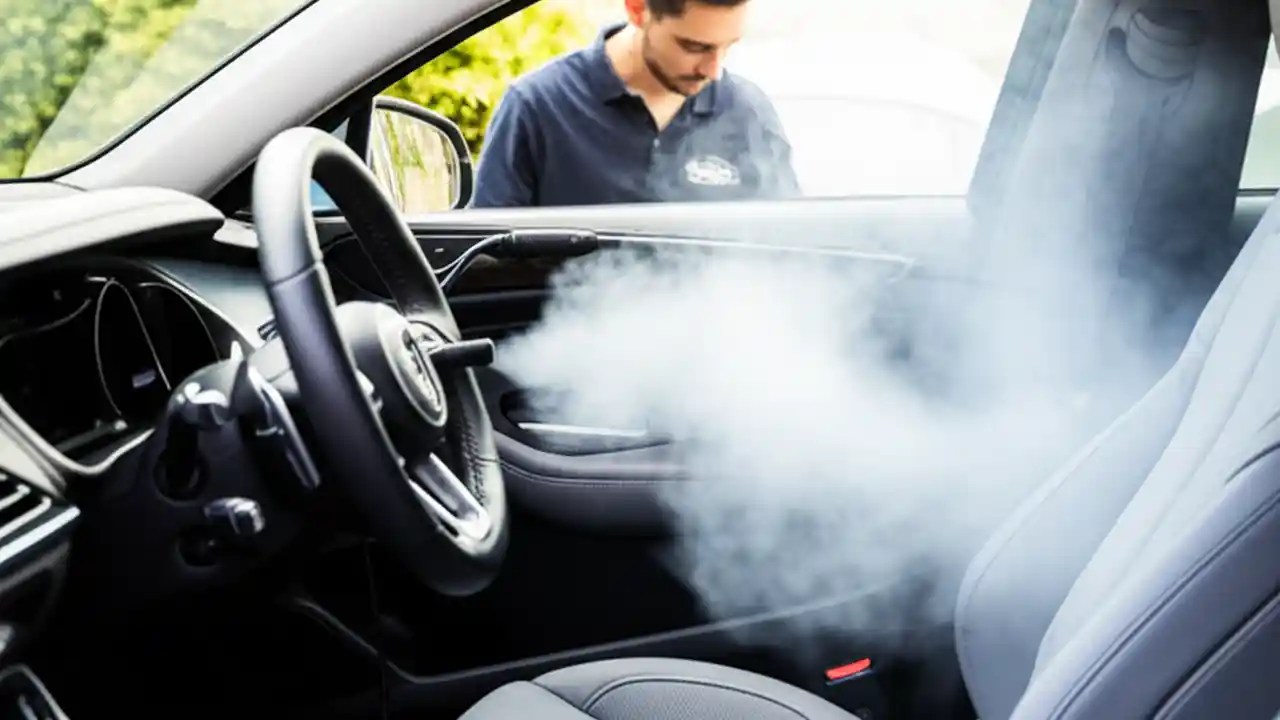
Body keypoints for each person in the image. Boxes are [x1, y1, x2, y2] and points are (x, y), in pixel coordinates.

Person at [470, 0, 800, 208]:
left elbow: (787, 251)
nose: (713, 71)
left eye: (726, 47)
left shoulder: (748, 113)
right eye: (695, 47)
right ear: (638, 9)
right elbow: (484, 260)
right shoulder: (538, 105)